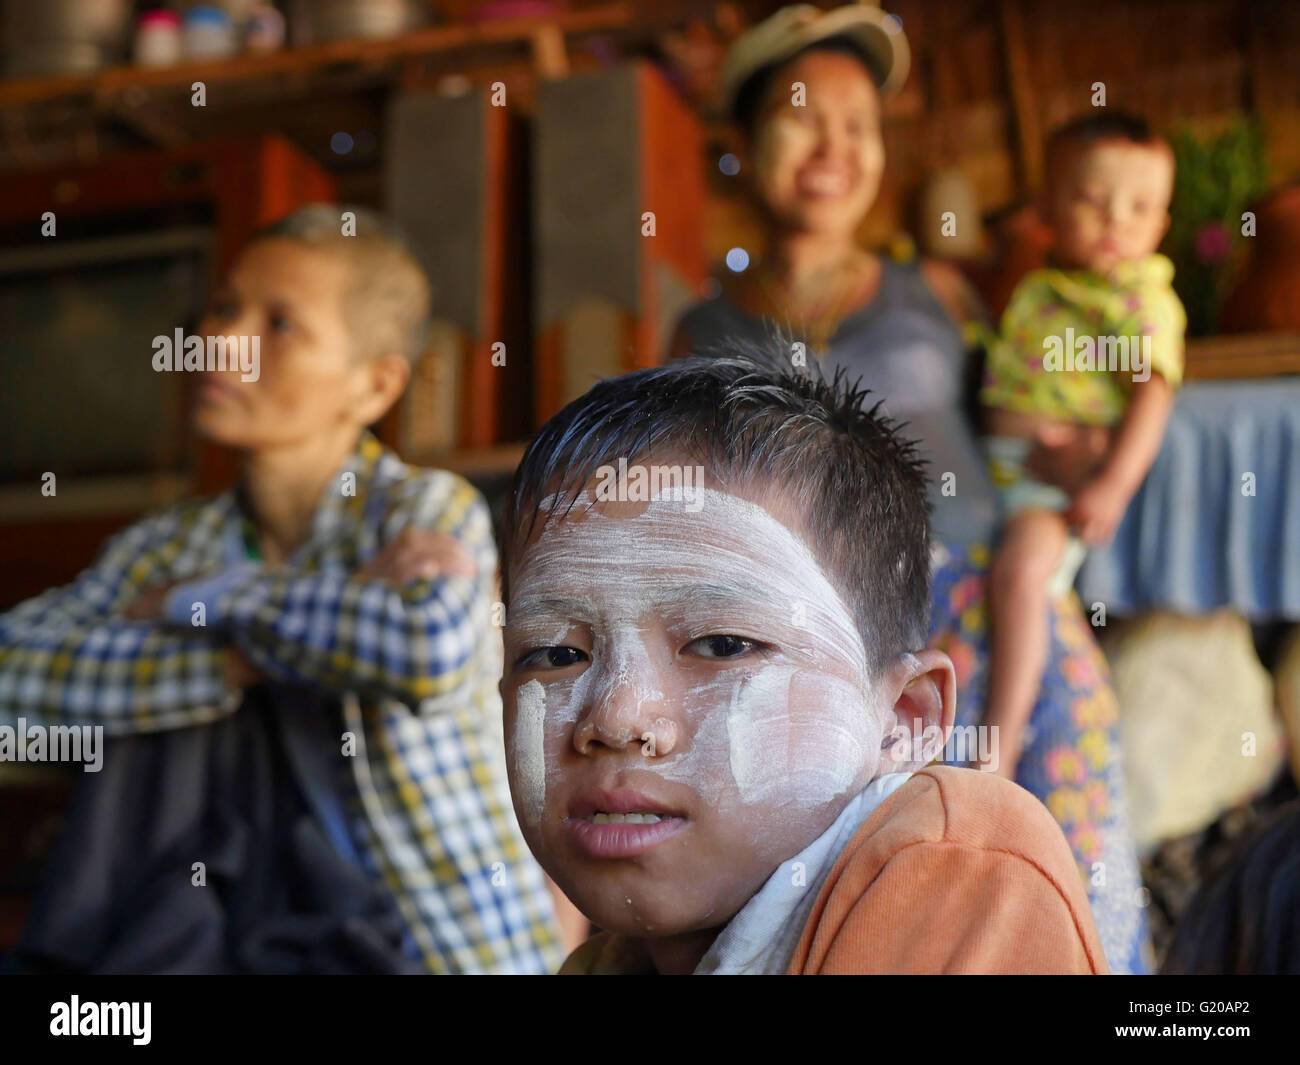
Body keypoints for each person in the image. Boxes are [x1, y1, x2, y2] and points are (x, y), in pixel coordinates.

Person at [668, 3, 1152, 973]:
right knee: (893, 923)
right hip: (826, 673)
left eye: (859, 126)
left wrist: (1080, 458)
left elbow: (1044, 406)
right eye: (804, 115)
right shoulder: (697, 335)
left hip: (1000, 628)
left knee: (1072, 892)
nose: (833, 146)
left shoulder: (943, 289)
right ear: (744, 140)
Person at [0, 205, 568, 974]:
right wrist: (232, 666)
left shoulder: (423, 510)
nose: (218, 342)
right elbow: (11, 679)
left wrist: (217, 598)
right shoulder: (169, 545)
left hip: (443, 946)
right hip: (233, 944)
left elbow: (423, 648)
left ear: (373, 385)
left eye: (279, 325)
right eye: (225, 308)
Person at [497, 345, 1107, 974]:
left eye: (722, 645)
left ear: (904, 715)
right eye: (555, 653)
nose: (616, 718)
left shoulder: (959, 863)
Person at [979, 112, 1184, 783]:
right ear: (1046, 206)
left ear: (1162, 223)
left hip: (1051, 489)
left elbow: (1153, 396)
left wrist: (1110, 485)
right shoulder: (1045, 285)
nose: (1115, 221)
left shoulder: (1136, 298)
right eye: (1092, 201)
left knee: (1021, 574)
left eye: (1140, 206)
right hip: (1001, 476)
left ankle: (999, 744)